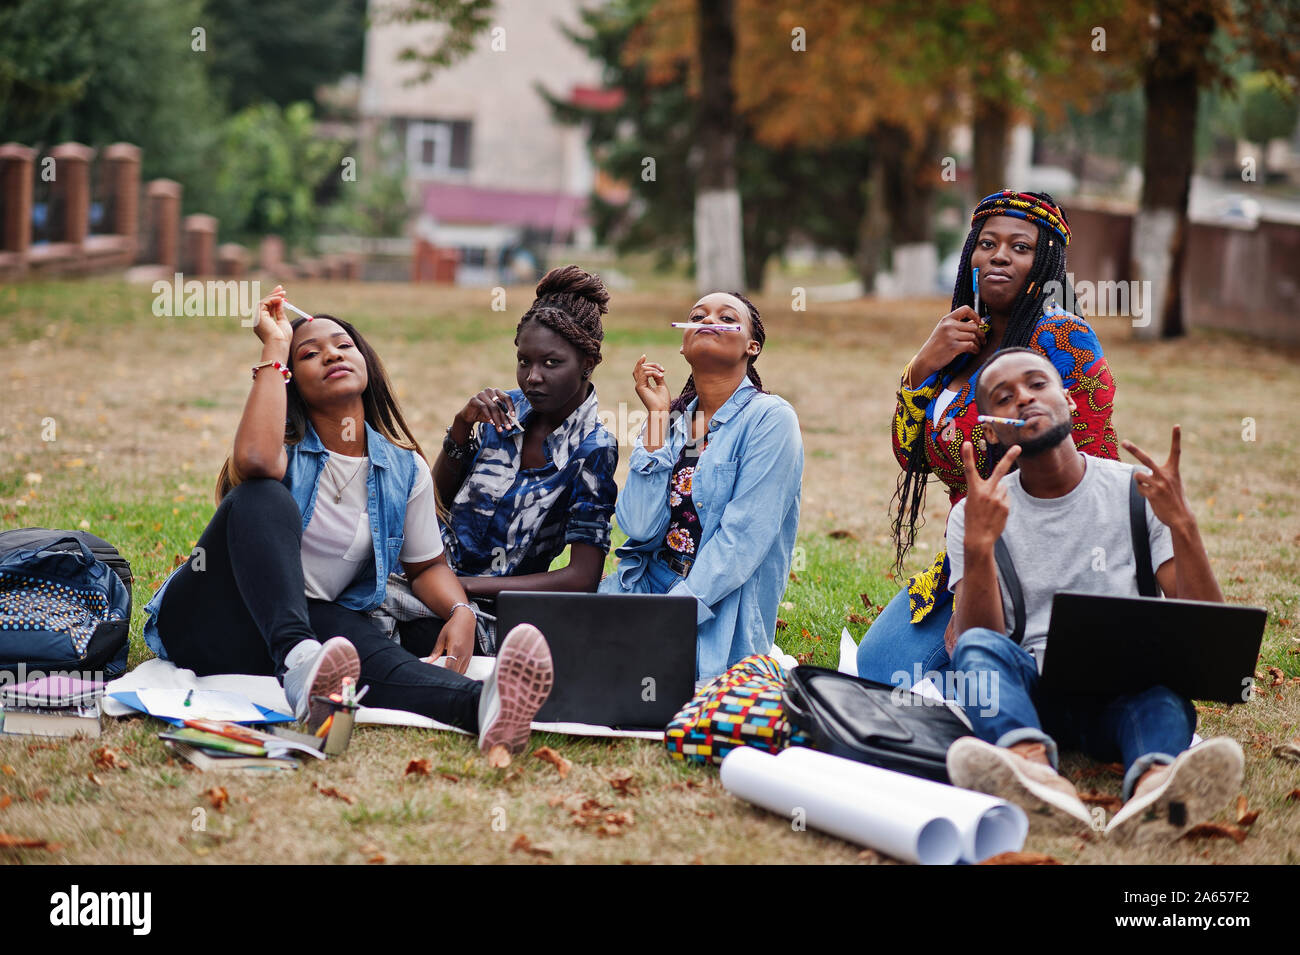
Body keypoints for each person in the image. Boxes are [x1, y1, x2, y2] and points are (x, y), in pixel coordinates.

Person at [140, 285, 554, 754]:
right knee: (263, 498)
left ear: (366, 362)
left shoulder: (403, 468)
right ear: (290, 377)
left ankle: (487, 708)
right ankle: (300, 664)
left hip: (311, 632)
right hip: (212, 620)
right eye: (309, 353)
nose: (331, 355)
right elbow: (255, 461)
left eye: (343, 345)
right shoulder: (280, 451)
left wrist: (458, 611)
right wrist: (274, 345)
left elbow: (426, 566)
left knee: (373, 658)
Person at [942, 347, 1243, 842]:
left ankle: (1154, 786)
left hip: (1127, 695)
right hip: (1033, 695)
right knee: (972, 649)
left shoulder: (1134, 492)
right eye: (1005, 395)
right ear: (991, 429)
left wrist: (1183, 526)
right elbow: (981, 640)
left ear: (1070, 401)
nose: (1025, 398)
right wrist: (979, 547)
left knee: (1165, 697)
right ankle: (1032, 770)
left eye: (1038, 384)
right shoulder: (976, 512)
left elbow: (1209, 631)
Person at [857, 190, 1119, 687]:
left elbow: (1077, 476)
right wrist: (921, 366)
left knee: (967, 679)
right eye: (987, 243)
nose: (999, 255)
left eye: (1020, 247)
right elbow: (909, 456)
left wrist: (986, 598)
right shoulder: (960, 340)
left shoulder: (1063, 340)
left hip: (1053, 560)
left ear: (1045, 264)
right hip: (971, 551)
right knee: (879, 670)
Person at [412, 266, 618, 655]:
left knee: (406, 635)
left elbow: (581, 578)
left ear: (588, 362)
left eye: (551, 363)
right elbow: (432, 505)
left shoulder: (592, 449)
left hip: (492, 610)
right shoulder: (501, 412)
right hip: (426, 574)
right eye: (524, 361)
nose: (532, 377)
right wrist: (460, 430)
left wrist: (463, 587)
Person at [600, 291, 803, 682]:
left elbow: (742, 541)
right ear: (683, 343)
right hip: (649, 583)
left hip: (720, 602)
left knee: (659, 680)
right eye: (698, 315)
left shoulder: (770, 420)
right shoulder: (674, 421)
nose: (710, 320)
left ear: (752, 346)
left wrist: (671, 617)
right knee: (578, 656)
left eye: (727, 318)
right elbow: (639, 527)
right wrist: (657, 417)